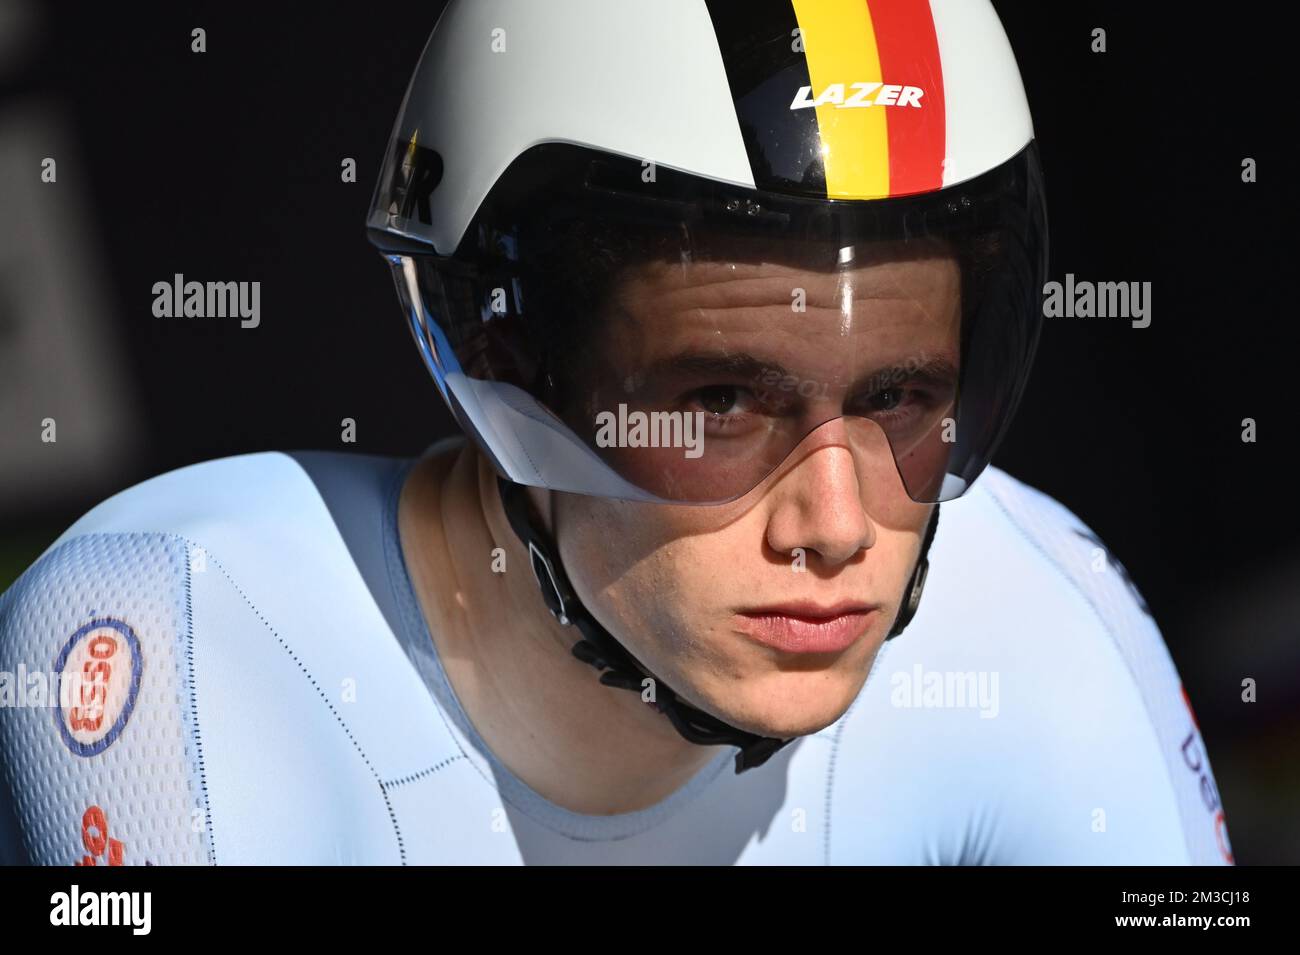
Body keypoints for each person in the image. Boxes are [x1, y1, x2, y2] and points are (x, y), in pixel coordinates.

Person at [0, 0, 1232, 864]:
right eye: (722, 404)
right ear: (503, 369)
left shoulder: (1034, 606)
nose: (840, 526)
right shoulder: (170, 642)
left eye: (898, 398)